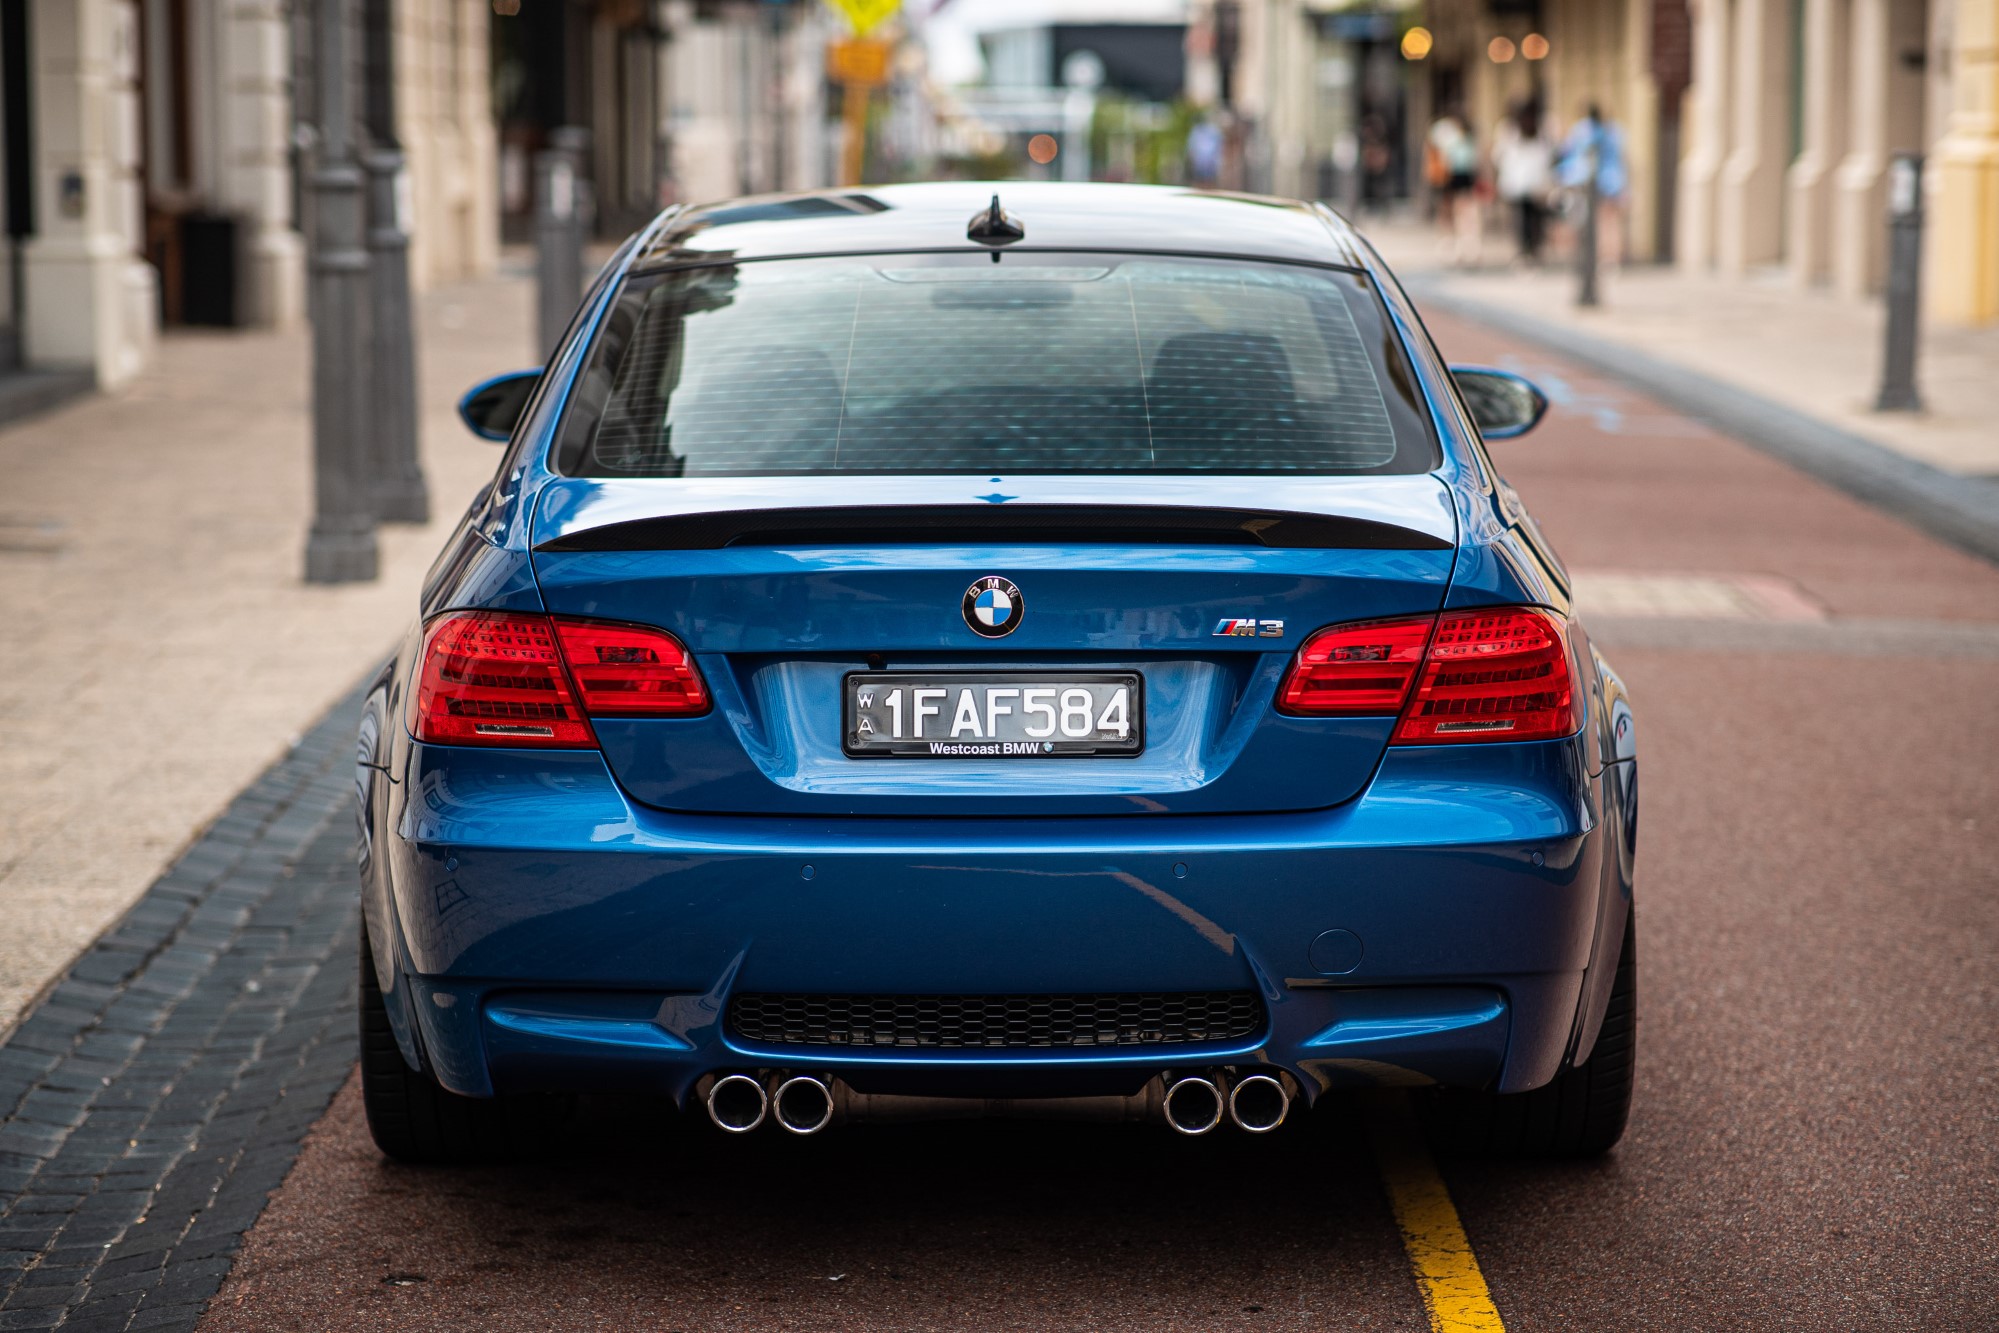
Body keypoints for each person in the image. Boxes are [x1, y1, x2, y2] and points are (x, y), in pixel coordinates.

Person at [1557, 103, 1628, 268]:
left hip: (1591, 181)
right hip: (1611, 181)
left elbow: (1570, 154)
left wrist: (1565, 175)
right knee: (1609, 222)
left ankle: (1596, 256)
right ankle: (1610, 258)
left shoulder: (1582, 131)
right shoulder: (1613, 131)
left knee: (1592, 221)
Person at [1492, 101, 1555, 265]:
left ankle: (1529, 251)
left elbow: (1498, 157)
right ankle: (1528, 251)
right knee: (1527, 219)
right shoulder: (1514, 132)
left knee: (1527, 218)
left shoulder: (1536, 133)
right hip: (1523, 184)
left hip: (1526, 184)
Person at [1427, 109, 1482, 267]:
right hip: (1449, 177)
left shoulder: (1466, 137)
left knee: (1465, 210)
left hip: (1462, 176)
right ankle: (1451, 242)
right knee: (1449, 210)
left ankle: (1466, 243)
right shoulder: (1444, 133)